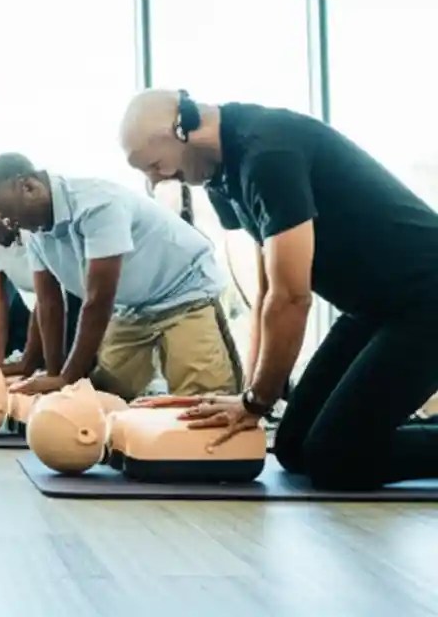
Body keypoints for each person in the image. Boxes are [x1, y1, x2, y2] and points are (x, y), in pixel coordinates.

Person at [119, 88, 438, 489]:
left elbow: (292, 298)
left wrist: (256, 401)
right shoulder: (217, 176)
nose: (153, 181)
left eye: (152, 164)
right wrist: (251, 399)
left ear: (182, 129)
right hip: (374, 309)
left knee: (335, 459)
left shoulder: (267, 154)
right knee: (292, 447)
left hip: (426, 301)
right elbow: (268, 290)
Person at [0, 152, 240, 402]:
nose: (10, 226)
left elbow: (98, 299)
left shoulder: (97, 204)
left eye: (10, 217)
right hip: (132, 309)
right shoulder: (36, 231)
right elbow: (48, 304)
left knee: (203, 399)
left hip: (185, 292)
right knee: (103, 392)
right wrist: (52, 374)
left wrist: (68, 378)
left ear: (28, 187)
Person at [0, 198, 74, 378]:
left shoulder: (32, 233)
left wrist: (29, 362)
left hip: (67, 300)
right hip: (35, 305)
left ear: (5, 220)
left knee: (66, 368)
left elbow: (49, 296)